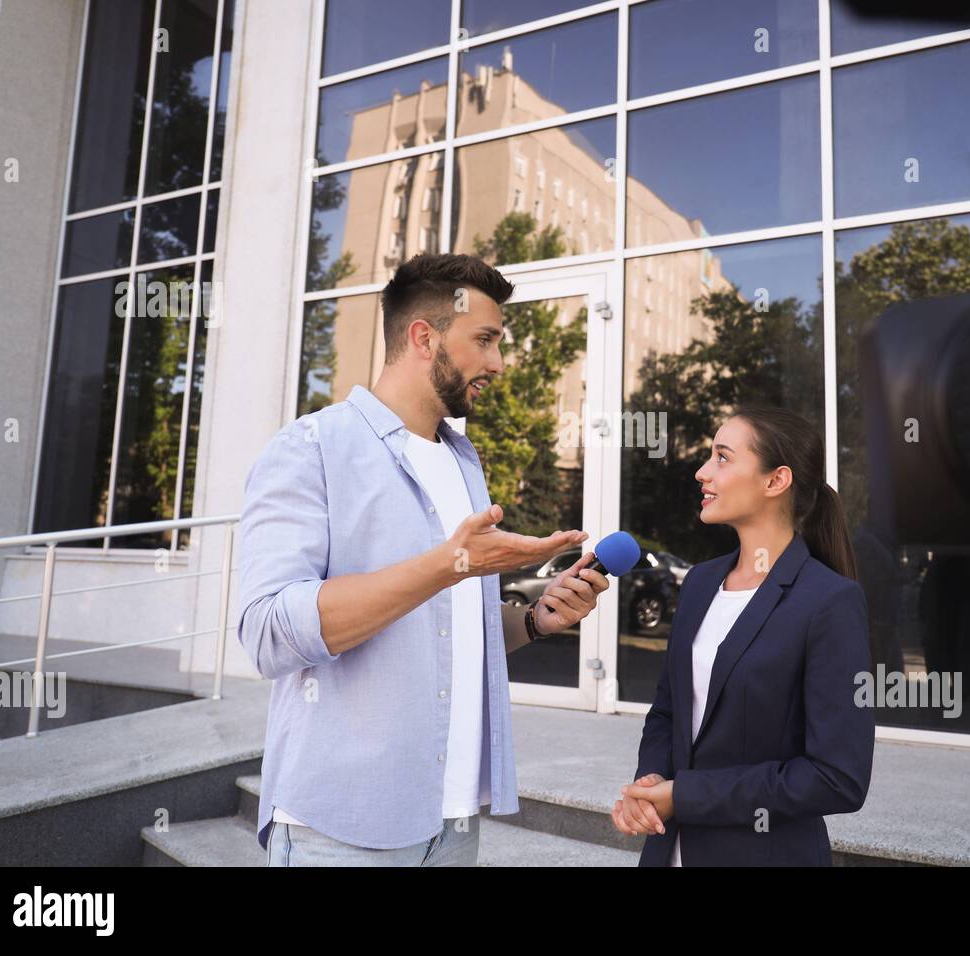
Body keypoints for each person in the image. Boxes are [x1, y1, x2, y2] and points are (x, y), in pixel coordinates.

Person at [238, 252, 609, 866]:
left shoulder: (464, 463)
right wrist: (447, 565)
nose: (497, 361)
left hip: (452, 822)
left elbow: (447, 632)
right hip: (339, 833)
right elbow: (269, 632)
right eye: (485, 340)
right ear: (423, 336)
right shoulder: (311, 448)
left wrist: (538, 618)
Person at [611, 404, 874, 866]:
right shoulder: (697, 583)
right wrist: (649, 782)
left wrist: (688, 795)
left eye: (722, 457)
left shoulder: (829, 602)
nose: (701, 472)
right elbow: (668, 712)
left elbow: (837, 778)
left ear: (776, 481)